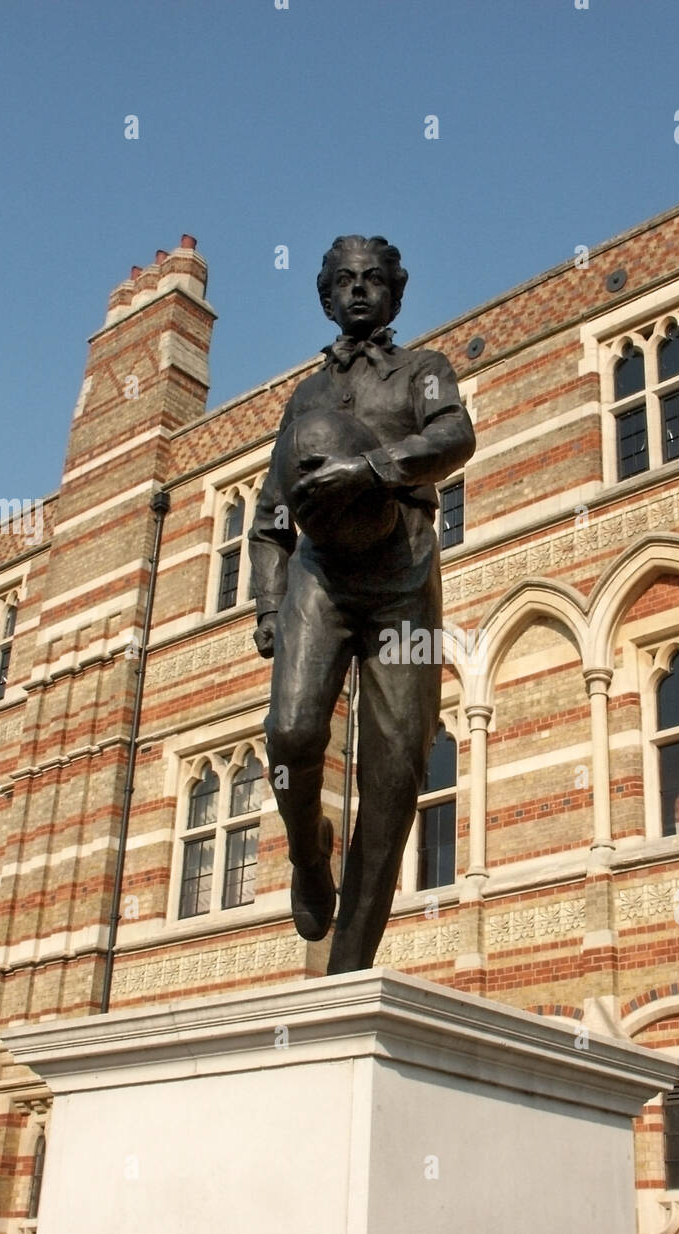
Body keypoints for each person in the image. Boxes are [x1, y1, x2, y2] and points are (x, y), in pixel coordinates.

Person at [248, 236, 476, 973]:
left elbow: (454, 435)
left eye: (372, 280)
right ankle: (309, 851)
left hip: (400, 573)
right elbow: (272, 511)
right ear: (324, 295)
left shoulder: (423, 371)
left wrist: (371, 469)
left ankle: (350, 960)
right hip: (321, 578)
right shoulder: (305, 397)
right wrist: (268, 602)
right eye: (343, 281)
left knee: (395, 770)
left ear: (394, 293)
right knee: (288, 733)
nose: (356, 291)